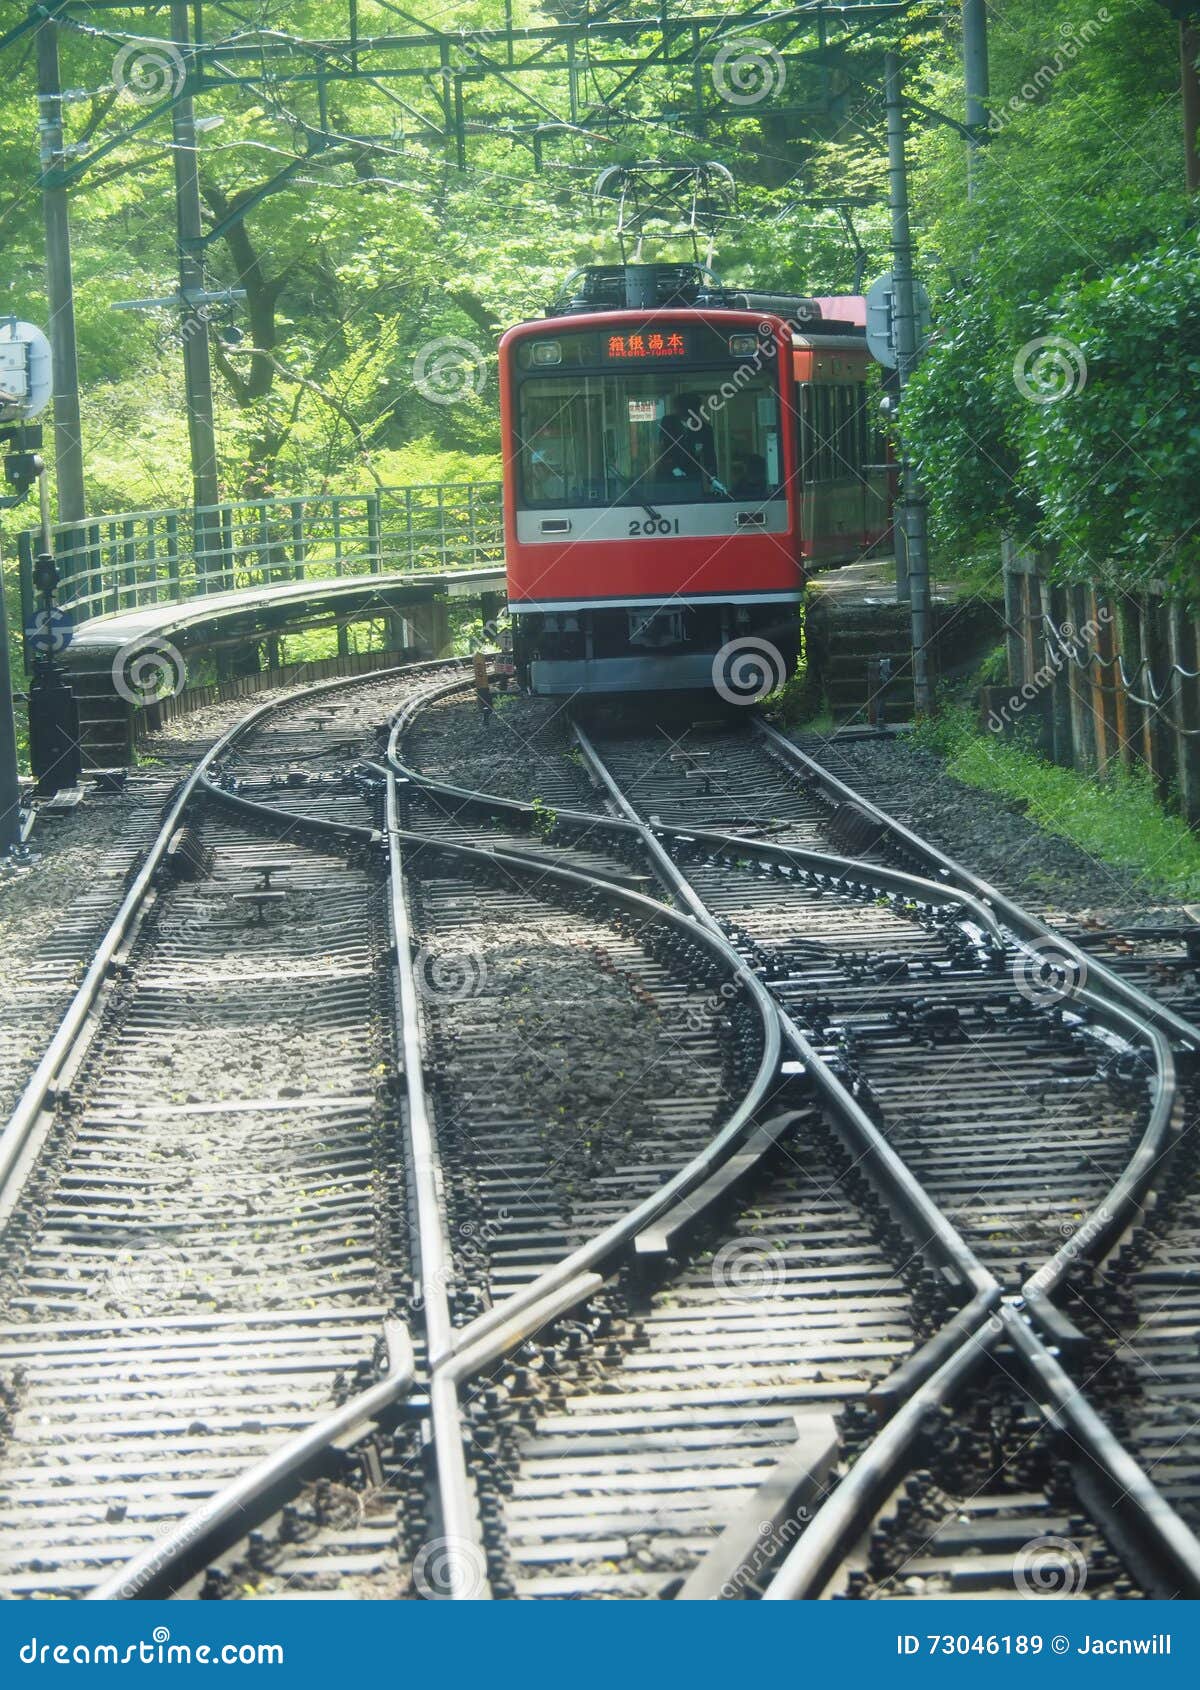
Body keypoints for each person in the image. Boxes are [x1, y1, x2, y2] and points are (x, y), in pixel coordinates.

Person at [654, 395, 727, 493]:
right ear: (678, 411)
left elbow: (709, 458)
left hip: (693, 480)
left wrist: (713, 479)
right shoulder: (668, 423)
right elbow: (662, 450)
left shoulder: (705, 429)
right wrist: (673, 468)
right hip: (667, 480)